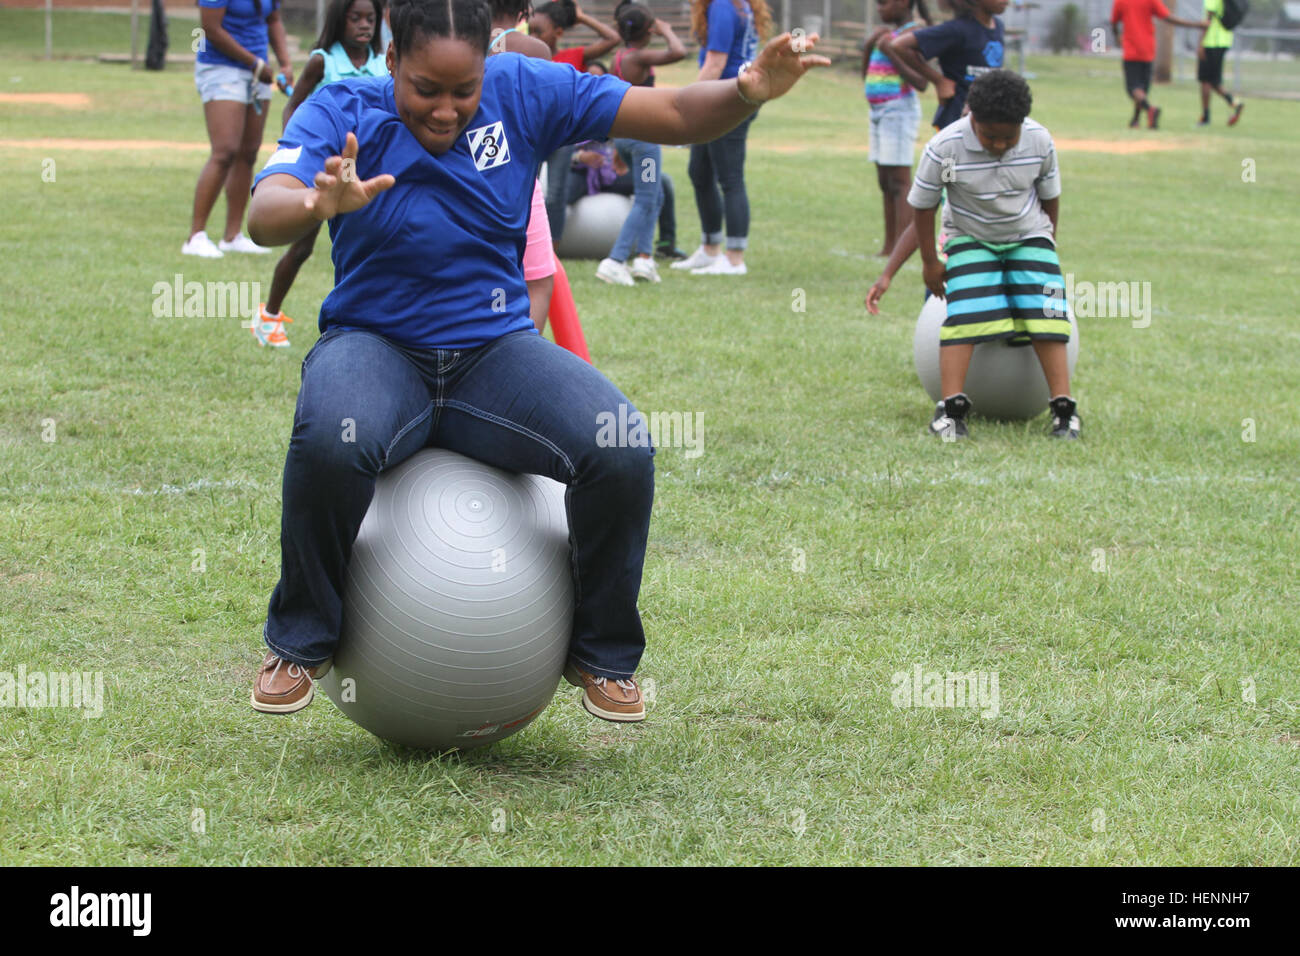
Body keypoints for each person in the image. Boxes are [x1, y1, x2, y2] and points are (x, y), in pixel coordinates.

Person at [245, 0, 829, 721]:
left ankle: (602, 653)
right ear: (393, 61)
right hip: (374, 344)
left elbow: (676, 114)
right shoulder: (343, 104)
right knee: (334, 439)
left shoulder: (527, 88)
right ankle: (299, 641)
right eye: (426, 89)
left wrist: (747, 90)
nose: (446, 110)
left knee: (621, 446)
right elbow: (262, 211)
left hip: (493, 353)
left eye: (465, 91)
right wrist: (315, 203)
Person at [908, 69, 1080, 441]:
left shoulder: (1039, 140)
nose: (1000, 145)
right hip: (971, 236)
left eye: (1008, 137)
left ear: (1022, 124)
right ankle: (951, 409)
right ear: (972, 118)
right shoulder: (945, 147)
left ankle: (1064, 409)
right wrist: (930, 262)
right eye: (990, 137)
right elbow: (922, 207)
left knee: (1049, 311)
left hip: (1027, 233)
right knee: (966, 314)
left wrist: (1047, 242)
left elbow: (1049, 195)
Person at [254, 0, 387, 348]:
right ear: (338, 22)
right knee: (301, 249)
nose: (364, 25)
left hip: (365, 176)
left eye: (370, 19)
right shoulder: (322, 62)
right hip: (325, 177)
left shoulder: (381, 64)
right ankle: (269, 316)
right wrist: (294, 159)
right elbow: (293, 105)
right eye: (355, 18)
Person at [864, 0, 1008, 312]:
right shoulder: (957, 30)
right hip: (956, 133)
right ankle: (937, 297)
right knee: (946, 210)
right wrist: (937, 79)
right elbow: (900, 45)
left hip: (991, 139)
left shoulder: (998, 27)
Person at [184, 0, 294, 259]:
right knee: (225, 151)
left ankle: (232, 236)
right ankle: (195, 236)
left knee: (248, 153)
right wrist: (254, 63)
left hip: (258, 71)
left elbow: (273, 20)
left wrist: (285, 63)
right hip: (221, 68)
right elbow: (209, 28)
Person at [673, 0, 770, 276]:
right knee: (700, 172)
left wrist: (686, 105)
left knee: (730, 178)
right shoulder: (736, 4)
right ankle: (710, 249)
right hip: (726, 96)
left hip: (727, 99)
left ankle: (734, 258)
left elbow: (716, 64)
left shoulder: (724, 5)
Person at [595, 3, 686, 286]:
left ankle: (645, 259)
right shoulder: (640, 57)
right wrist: (668, 31)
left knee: (655, 195)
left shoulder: (619, 57)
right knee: (647, 199)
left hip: (625, 135)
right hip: (643, 139)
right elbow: (679, 52)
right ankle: (615, 260)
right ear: (648, 31)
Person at [487, 0, 559, 331]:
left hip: (467, 173)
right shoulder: (532, 48)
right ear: (523, 10)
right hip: (518, 175)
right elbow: (548, 110)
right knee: (537, 279)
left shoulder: (459, 39)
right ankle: (518, 355)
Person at [531, 1, 622, 240]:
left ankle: (553, 252)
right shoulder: (526, 56)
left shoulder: (572, 56)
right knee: (529, 192)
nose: (533, 36)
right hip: (534, 135)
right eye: (530, 30)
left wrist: (581, 18)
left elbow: (613, 38)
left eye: (539, 31)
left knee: (555, 195)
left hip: (561, 138)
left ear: (558, 33)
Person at [862, 0, 929, 258]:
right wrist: (870, 46)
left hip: (899, 111)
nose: (879, 9)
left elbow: (921, 81)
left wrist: (891, 52)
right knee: (884, 181)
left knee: (900, 181)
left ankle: (903, 247)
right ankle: (889, 245)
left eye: (883, 3)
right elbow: (866, 75)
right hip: (878, 112)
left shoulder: (912, 36)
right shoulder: (886, 35)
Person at [1109, 0, 1205, 129]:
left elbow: (1114, 22)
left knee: (1133, 88)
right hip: (1148, 48)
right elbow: (1168, 17)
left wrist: (1116, 36)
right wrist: (1196, 25)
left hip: (1131, 49)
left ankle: (1150, 109)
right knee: (1142, 89)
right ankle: (1135, 120)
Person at [1197, 0, 1244, 126]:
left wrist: (1200, 43)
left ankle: (1206, 117)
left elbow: (1208, 19)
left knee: (1206, 80)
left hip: (1212, 42)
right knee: (1213, 81)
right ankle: (1234, 103)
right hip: (1224, 40)